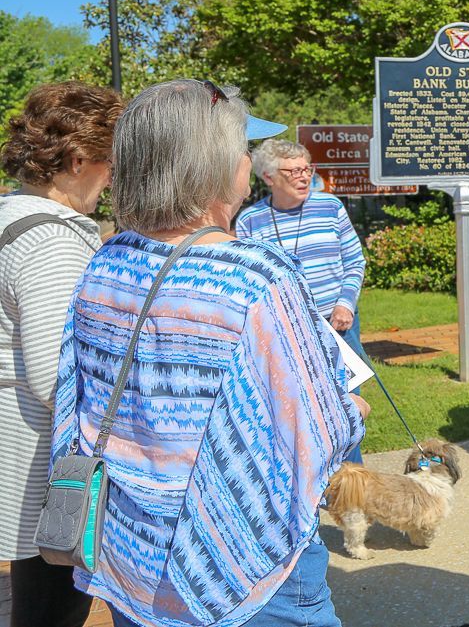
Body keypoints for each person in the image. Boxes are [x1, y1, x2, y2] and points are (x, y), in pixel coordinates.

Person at [51, 79, 367, 627]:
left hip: (131, 548)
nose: (249, 161)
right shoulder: (254, 277)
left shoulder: (104, 265)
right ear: (213, 166)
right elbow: (315, 429)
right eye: (244, 148)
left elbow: (74, 403)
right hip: (243, 560)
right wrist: (351, 412)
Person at [0, 82, 122, 627]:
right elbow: (58, 378)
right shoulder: (52, 238)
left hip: (20, 444)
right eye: (112, 163)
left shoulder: (11, 216)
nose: (115, 177)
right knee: (53, 606)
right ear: (78, 160)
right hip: (42, 465)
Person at [236, 139, 368, 462]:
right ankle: (312, 495)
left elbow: (355, 263)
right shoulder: (249, 222)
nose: (303, 176)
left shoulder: (331, 208)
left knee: (347, 412)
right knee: (300, 416)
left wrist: (345, 304)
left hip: (339, 327)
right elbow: (248, 282)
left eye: (307, 169)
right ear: (268, 177)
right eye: (293, 170)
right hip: (287, 336)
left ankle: (352, 495)